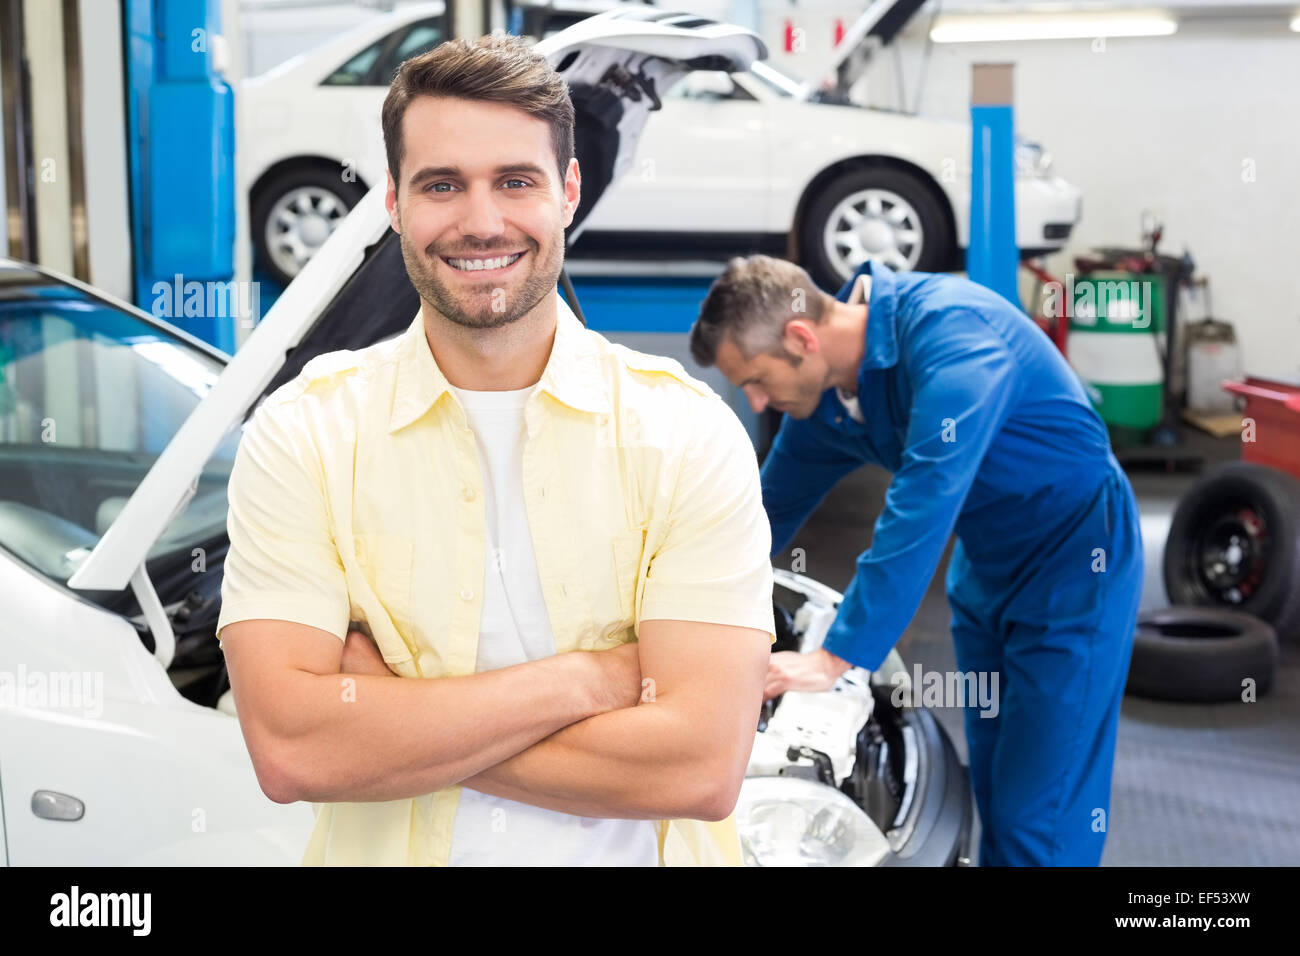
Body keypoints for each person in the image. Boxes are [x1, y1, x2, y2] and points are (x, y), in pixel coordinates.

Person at [217, 33, 775, 867]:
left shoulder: (686, 436)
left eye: (516, 182)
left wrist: (393, 719)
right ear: (395, 205)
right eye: (442, 185)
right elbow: (295, 752)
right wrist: (583, 680)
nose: (482, 223)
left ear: (568, 193)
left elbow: (698, 767)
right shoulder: (303, 437)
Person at [689, 254, 1144, 866]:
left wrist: (833, 657)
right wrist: (678, 601)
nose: (758, 402)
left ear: (801, 337)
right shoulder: (829, 392)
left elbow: (921, 508)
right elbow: (763, 514)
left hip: (1075, 562)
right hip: (985, 567)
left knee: (1041, 807)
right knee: (992, 777)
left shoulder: (954, 341)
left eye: (757, 380)